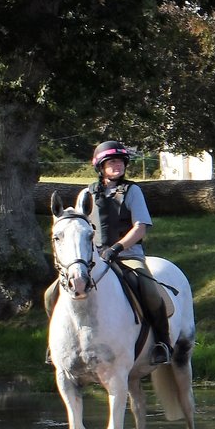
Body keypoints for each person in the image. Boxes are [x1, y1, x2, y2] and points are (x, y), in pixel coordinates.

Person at [48, 141, 175, 364]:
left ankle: (161, 343)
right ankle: (56, 345)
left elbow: (140, 227)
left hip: (128, 255)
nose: (117, 166)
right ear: (100, 166)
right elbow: (79, 227)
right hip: (93, 260)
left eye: (120, 162)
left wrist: (116, 248)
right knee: (51, 294)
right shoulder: (86, 193)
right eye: (112, 162)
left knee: (150, 291)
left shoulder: (133, 191)